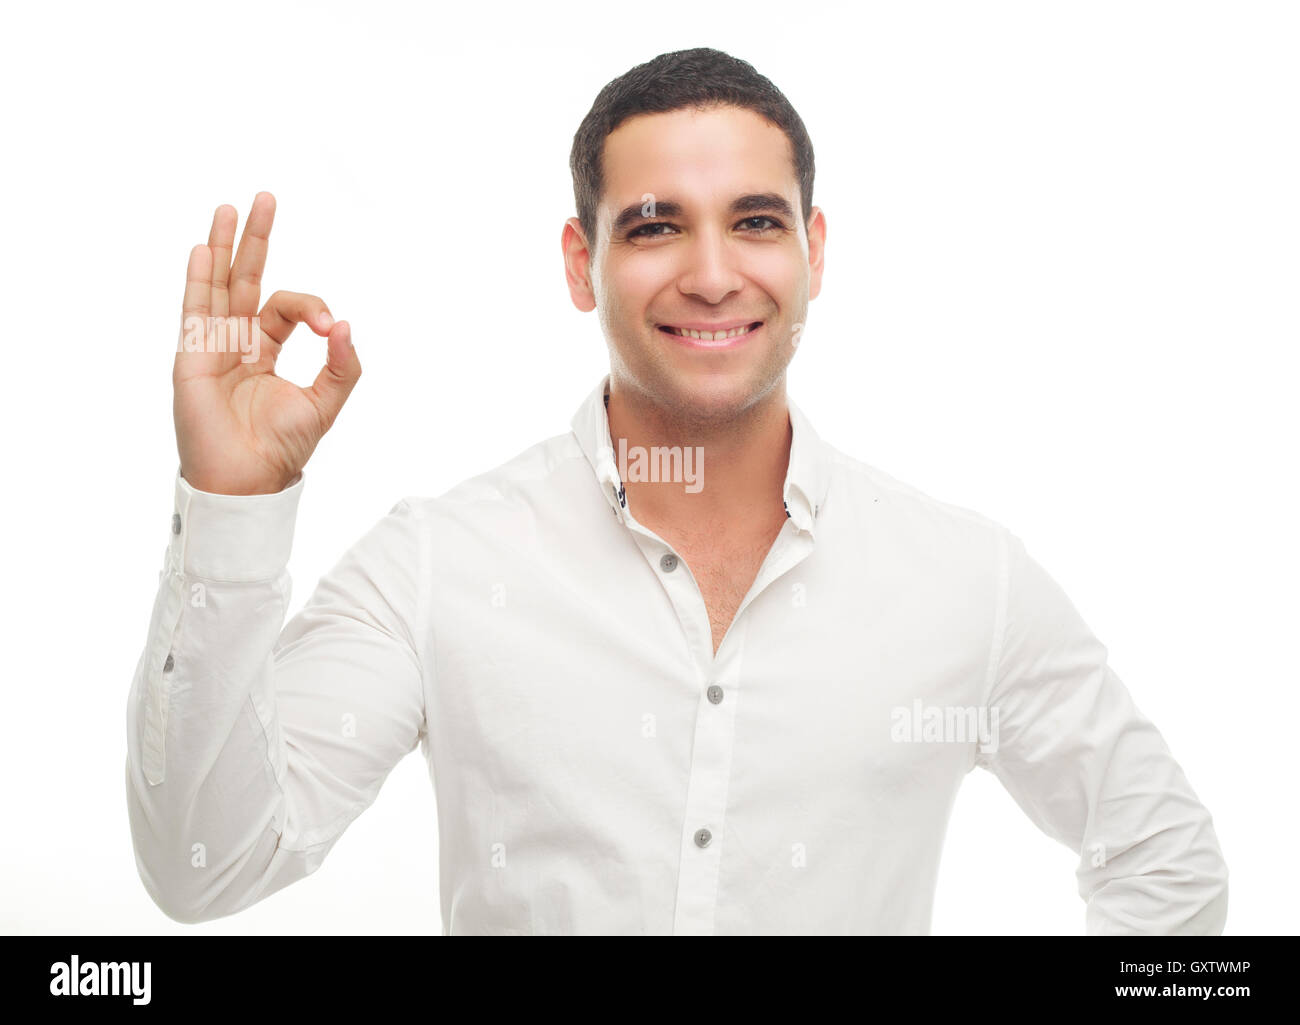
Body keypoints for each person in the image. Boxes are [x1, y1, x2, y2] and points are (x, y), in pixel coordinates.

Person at [126, 47, 1228, 934]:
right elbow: (204, 866)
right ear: (579, 262)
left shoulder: (963, 577)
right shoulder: (439, 564)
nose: (711, 273)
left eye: (755, 220)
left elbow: (1162, 861)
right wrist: (229, 507)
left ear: (813, 249)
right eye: (654, 226)